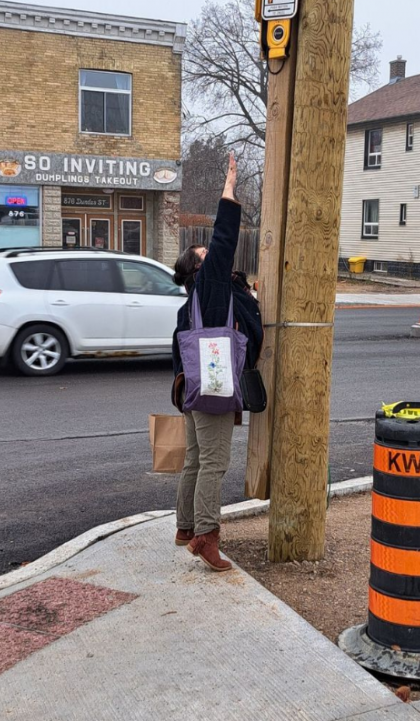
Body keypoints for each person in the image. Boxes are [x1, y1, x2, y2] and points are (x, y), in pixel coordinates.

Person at [171, 152, 263, 572]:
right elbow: (225, 238)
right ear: (197, 268)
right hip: (214, 388)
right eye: (204, 254)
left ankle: (185, 527)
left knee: (194, 459)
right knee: (214, 463)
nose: (214, 255)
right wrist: (228, 188)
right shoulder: (208, 286)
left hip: (193, 390)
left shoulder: (192, 302)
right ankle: (207, 535)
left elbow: (178, 348)